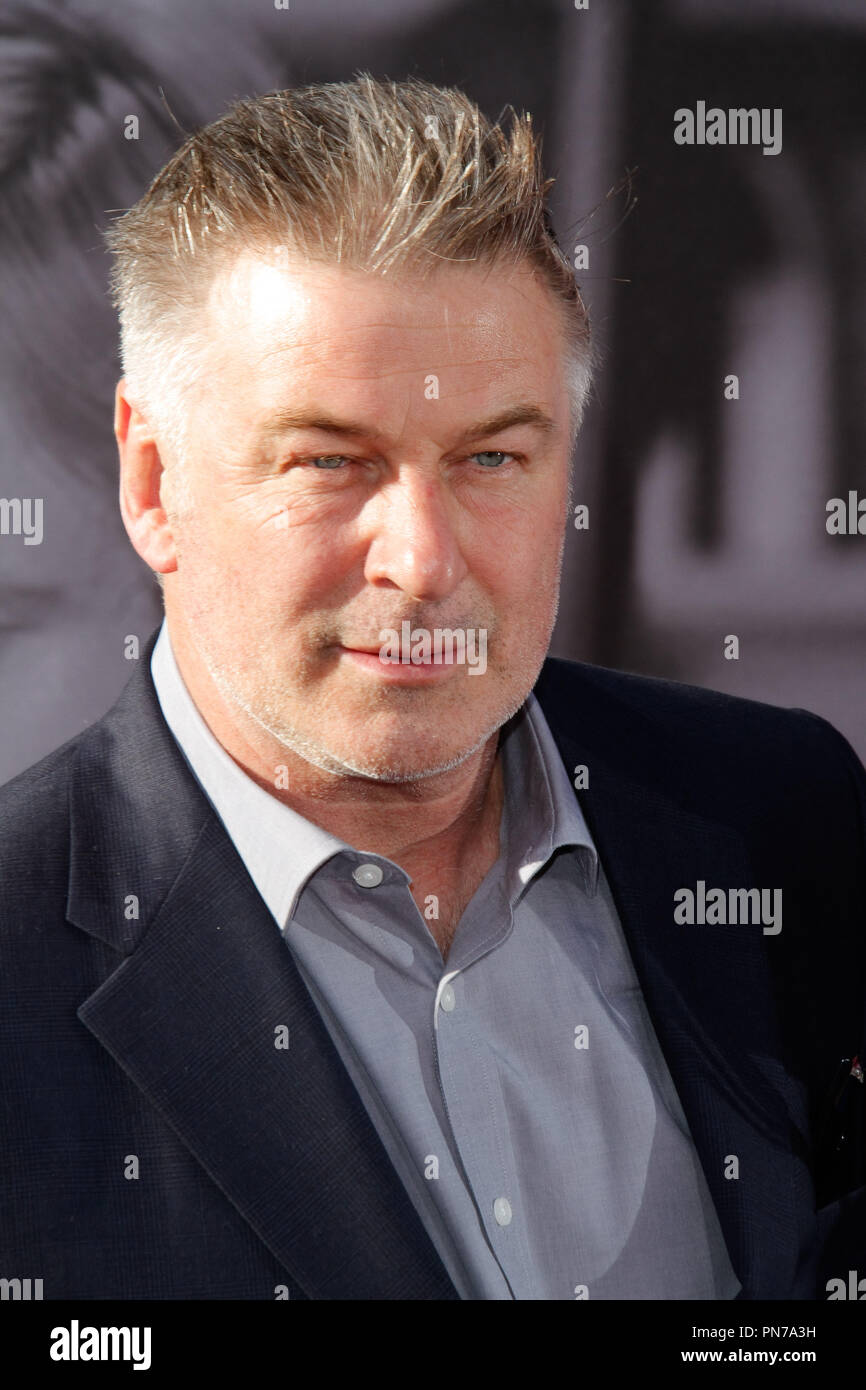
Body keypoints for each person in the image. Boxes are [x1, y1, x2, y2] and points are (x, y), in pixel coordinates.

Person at [1, 74, 863, 1302]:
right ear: (152, 484)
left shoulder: (783, 817)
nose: (425, 560)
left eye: (492, 458)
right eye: (329, 461)